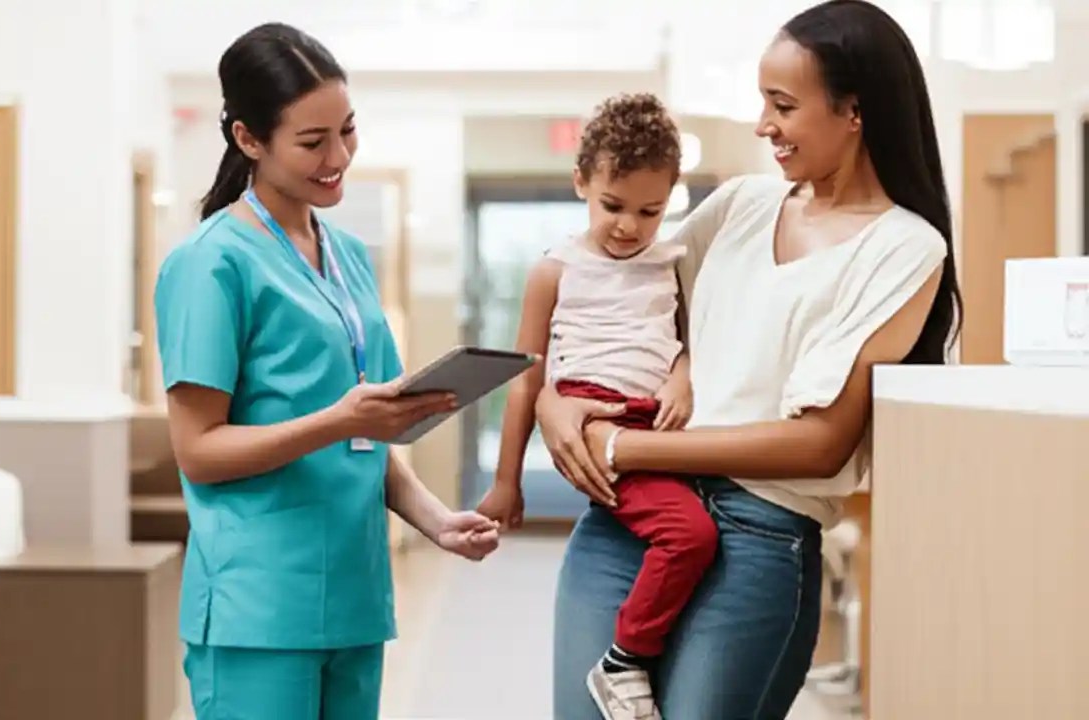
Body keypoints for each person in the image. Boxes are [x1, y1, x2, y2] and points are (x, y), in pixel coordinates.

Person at [535, 2, 963, 718]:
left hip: (757, 531)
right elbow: (617, 298)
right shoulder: (739, 206)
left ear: (853, 110)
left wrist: (626, 447)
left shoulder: (905, 249)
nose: (762, 123)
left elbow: (821, 442)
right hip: (631, 517)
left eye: (782, 104)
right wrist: (554, 399)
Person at [154, 23, 501, 720]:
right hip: (259, 606)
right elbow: (198, 450)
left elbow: (368, 431)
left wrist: (435, 520)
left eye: (347, 131)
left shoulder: (346, 254)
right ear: (249, 139)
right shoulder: (210, 263)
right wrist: (339, 419)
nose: (338, 156)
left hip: (352, 594)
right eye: (313, 143)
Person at [475, 93, 715, 720]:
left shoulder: (670, 265)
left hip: (651, 416)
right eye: (612, 205)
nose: (629, 226)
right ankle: (625, 660)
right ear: (581, 181)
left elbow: (687, 345)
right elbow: (526, 379)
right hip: (588, 415)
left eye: (650, 211)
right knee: (690, 535)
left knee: (687, 521)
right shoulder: (556, 270)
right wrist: (506, 483)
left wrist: (683, 376)